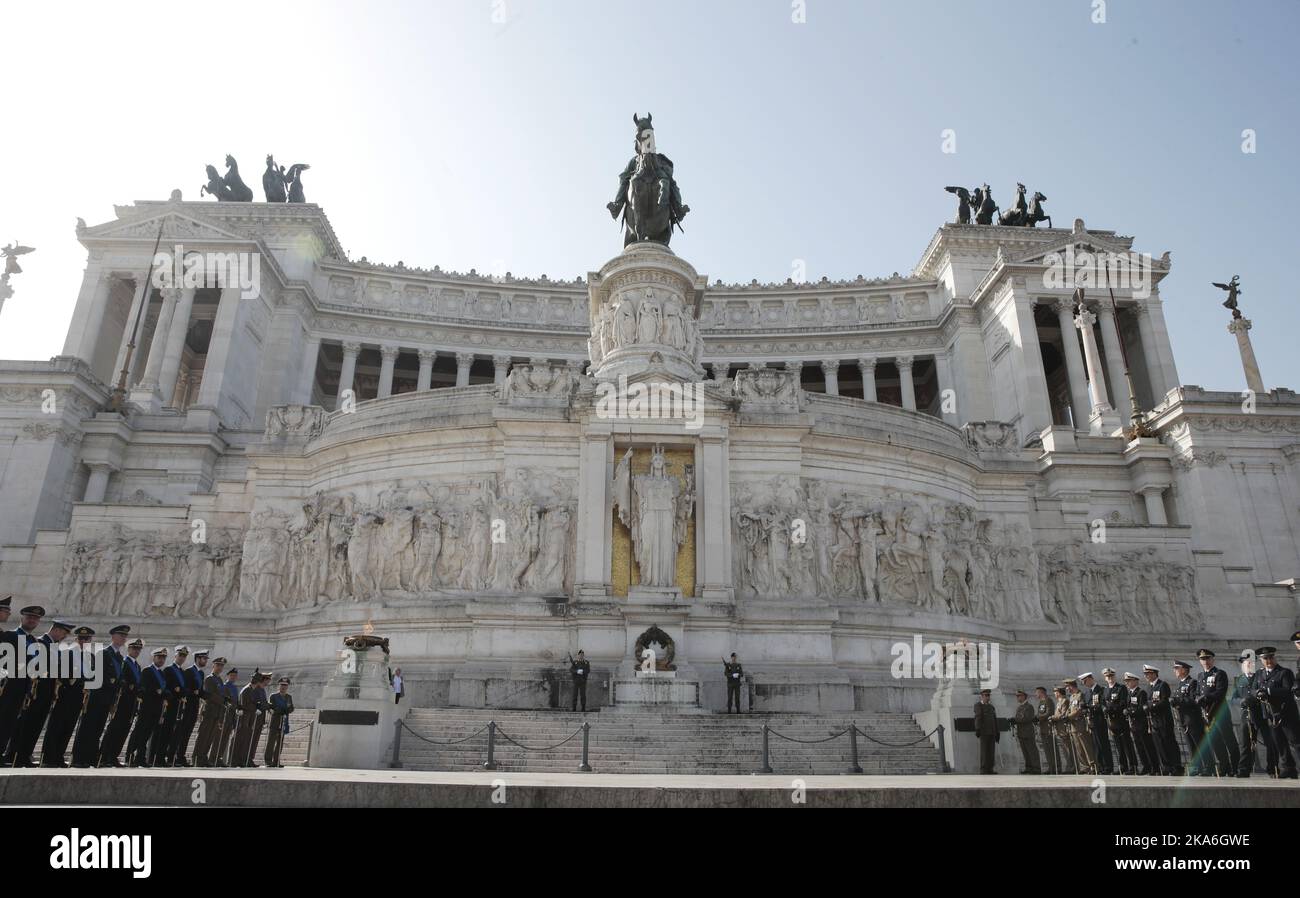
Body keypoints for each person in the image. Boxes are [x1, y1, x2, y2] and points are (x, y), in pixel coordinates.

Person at [9, 618, 71, 767]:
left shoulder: (53, 646)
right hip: (38, 690)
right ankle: (16, 755)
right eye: (63, 633)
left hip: (48, 691)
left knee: (36, 725)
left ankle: (25, 755)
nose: (63, 637)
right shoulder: (40, 643)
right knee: (27, 724)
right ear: (56, 629)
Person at [72, 624, 128, 767]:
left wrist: (119, 683)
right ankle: (79, 758)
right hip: (97, 695)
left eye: (124, 636)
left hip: (108, 697)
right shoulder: (103, 653)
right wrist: (113, 682)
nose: (123, 638)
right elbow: (98, 674)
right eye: (120, 635)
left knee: (98, 728)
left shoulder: (119, 657)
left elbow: (117, 676)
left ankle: (91, 757)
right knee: (87, 727)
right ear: (113, 636)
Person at [41, 625, 95, 767]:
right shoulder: (68, 652)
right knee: (57, 725)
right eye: (82, 638)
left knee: (68, 727)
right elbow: (60, 672)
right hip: (66, 693)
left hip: (80, 695)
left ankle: (58, 756)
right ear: (76, 639)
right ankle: (48, 758)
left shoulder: (89, 656)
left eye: (87, 638)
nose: (84, 641)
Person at [0, 605, 46, 763]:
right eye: (29, 617)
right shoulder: (10, 636)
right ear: (22, 618)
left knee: (9, 724)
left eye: (35, 619)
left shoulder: (34, 641)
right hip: (7, 686)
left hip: (23, 689)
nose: (32, 620)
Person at [1255, 646, 1300, 778]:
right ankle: (1288, 767)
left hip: (1286, 713)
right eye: (1265, 658)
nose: (1268, 660)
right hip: (1270, 714)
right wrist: (1257, 692)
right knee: (1280, 742)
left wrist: (1268, 691)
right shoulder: (1259, 674)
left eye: (1270, 657)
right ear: (1261, 660)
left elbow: (1287, 690)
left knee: (1295, 742)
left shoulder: (1284, 672)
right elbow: (1253, 689)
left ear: (1274, 658)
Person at [98, 637, 143, 767]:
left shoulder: (137, 666)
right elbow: (122, 680)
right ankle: (104, 755)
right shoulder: (124, 662)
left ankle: (113, 756)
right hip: (122, 701)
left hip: (132, 703)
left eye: (138, 649)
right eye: (134, 648)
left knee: (124, 730)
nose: (136, 651)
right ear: (128, 649)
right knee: (114, 729)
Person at [1195, 648, 1240, 776]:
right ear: (1200, 661)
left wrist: (1206, 698)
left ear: (1212, 659)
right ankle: (1224, 766)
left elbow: (1221, 692)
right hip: (1207, 713)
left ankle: (1235, 767)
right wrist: (1198, 699)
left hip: (1219, 711)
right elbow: (1198, 692)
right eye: (1203, 659)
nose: (1206, 661)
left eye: (1208, 658)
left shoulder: (1220, 673)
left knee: (1228, 739)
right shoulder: (1200, 676)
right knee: (1215, 741)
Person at [1232, 650, 1274, 777]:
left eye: (1251, 663)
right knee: (1245, 743)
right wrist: (1242, 701)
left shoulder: (1260, 676)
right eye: (1245, 663)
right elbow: (1234, 698)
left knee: (1269, 741)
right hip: (1247, 714)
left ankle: (1272, 767)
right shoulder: (1239, 679)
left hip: (1261, 712)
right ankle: (1244, 769)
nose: (1248, 665)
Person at [127, 647, 170, 767]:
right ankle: (130, 755)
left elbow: (164, 689)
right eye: (159, 657)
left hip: (156, 708)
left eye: (163, 658)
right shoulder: (147, 671)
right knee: (140, 732)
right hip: (147, 707)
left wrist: (165, 694)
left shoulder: (161, 673)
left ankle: (140, 757)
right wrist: (157, 691)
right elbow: (144, 687)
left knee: (147, 734)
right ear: (154, 658)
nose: (161, 660)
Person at [152, 645, 189, 766]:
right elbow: (168, 687)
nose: (182, 658)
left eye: (184, 656)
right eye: (180, 655)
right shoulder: (168, 670)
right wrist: (177, 690)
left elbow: (183, 689)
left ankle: (168, 757)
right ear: (175, 656)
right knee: (164, 733)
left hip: (178, 707)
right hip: (169, 705)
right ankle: (159, 758)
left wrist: (181, 691)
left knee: (172, 734)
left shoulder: (182, 672)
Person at [170, 648, 208, 766]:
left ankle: (181, 756)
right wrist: (193, 692)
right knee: (180, 732)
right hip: (186, 705)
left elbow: (200, 691)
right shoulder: (188, 671)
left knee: (187, 732)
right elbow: (185, 688)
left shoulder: (200, 673)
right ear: (197, 659)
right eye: (203, 659)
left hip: (194, 705)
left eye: (206, 659)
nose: (205, 661)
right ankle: (173, 756)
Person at [1143, 664, 1182, 776]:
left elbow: (1164, 701)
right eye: (1145, 674)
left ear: (1155, 673)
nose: (1146, 676)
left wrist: (1151, 706)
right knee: (1159, 744)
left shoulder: (1162, 685)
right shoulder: (1149, 687)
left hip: (1164, 719)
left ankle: (1176, 766)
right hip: (1154, 720)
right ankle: (1166, 766)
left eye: (1148, 674)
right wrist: (1147, 706)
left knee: (1169, 742)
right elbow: (1148, 701)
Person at [1170, 659, 1207, 776]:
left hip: (1193, 719)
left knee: (1199, 744)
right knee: (1190, 745)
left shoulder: (1192, 683)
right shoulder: (1179, 685)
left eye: (1177, 668)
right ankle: (1196, 766)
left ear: (1184, 670)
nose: (1175, 671)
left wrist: (1178, 701)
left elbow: (1193, 700)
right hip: (1183, 719)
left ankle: (1206, 766)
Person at [191, 656, 227, 767]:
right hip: (209, 711)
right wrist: (223, 700)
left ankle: (204, 757)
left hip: (217, 711)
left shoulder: (220, 680)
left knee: (210, 736)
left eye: (221, 666)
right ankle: (197, 758)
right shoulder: (209, 679)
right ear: (213, 665)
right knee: (203, 735)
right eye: (218, 665)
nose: (220, 668)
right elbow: (210, 695)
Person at [1101, 668, 1137, 775]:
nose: (1110, 678)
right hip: (1112, 722)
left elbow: (1122, 703)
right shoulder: (1106, 690)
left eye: (1111, 676)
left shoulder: (1121, 688)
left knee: (1126, 745)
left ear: (1114, 677)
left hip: (1121, 720)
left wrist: (1111, 708)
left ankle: (1132, 766)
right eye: (1108, 677)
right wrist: (1104, 708)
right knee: (1118, 746)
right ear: (1105, 678)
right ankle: (1122, 766)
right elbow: (1103, 701)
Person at [1122, 672, 1158, 776]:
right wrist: (1127, 711)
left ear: (1135, 681)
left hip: (1141, 723)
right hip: (1133, 724)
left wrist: (1131, 712)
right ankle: (1145, 766)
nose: (1127, 683)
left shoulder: (1141, 693)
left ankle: (1153, 766)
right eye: (1126, 681)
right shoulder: (1130, 694)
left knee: (1147, 746)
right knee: (1139, 747)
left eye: (1129, 681)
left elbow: (1142, 708)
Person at [1080, 672, 1113, 775]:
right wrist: (1084, 709)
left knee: (1103, 744)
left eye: (1085, 681)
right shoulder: (1087, 693)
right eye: (1083, 682)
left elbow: (1103, 704)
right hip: (1091, 722)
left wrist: (1091, 707)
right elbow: (1086, 705)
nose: (1084, 684)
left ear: (1090, 679)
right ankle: (1100, 766)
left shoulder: (1101, 690)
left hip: (1100, 721)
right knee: (1096, 746)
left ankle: (1108, 766)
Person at [1065, 679, 1096, 774]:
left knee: (1086, 746)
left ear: (1071, 686)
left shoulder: (1080, 695)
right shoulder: (1072, 697)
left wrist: (1068, 716)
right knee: (1079, 749)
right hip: (1073, 726)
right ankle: (1085, 767)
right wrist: (1065, 715)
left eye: (1067, 687)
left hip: (1081, 725)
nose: (1067, 689)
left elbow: (1079, 710)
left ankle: (1093, 766)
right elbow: (1070, 709)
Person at [264, 677, 295, 767]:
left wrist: (288, 710)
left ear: (287, 686)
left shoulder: (289, 697)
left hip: (284, 721)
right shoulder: (273, 696)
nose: (283, 687)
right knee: (271, 742)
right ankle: (268, 761)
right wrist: (278, 710)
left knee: (280, 742)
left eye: (285, 685)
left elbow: (291, 707)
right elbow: (270, 708)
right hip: (275, 721)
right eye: (282, 685)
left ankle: (276, 761)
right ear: (279, 686)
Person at [215, 667, 240, 767]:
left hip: (231, 715)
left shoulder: (234, 688)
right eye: (231, 675)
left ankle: (220, 758)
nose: (233, 677)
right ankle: (215, 758)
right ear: (228, 676)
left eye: (235, 676)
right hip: (224, 714)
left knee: (225, 738)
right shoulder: (224, 686)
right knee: (219, 738)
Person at [1012, 688, 1039, 774]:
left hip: (1028, 732)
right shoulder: (1019, 707)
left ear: (1024, 696)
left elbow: (1027, 718)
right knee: (1025, 752)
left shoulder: (1029, 707)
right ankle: (1029, 767)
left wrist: (1015, 720)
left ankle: (1036, 768)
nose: (1017, 698)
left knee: (1032, 751)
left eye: (1019, 696)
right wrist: (1014, 720)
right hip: (1021, 732)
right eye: (1017, 696)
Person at [1050, 684, 1075, 774]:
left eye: (1056, 692)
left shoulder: (1065, 701)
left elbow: (1063, 714)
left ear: (1060, 693)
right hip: (1059, 729)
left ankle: (1072, 767)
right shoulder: (1059, 702)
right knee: (1065, 749)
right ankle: (1069, 766)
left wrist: (1053, 717)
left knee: (1068, 748)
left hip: (1064, 728)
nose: (1055, 694)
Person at [973, 688, 999, 774]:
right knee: (984, 751)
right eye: (986, 695)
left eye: (989, 695)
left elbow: (994, 720)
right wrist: (977, 728)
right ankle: (983, 769)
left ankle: (990, 769)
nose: (988, 697)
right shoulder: (978, 705)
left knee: (991, 751)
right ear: (982, 696)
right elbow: (978, 717)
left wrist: (997, 732)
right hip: (984, 732)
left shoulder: (991, 707)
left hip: (992, 732)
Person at [1034, 686, 1058, 774]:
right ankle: (1050, 767)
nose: (1035, 694)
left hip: (1048, 728)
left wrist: (1038, 718)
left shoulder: (1049, 701)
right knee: (1047, 750)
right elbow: (1040, 713)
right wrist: (1036, 717)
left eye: (1037, 692)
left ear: (1041, 692)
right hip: (1043, 728)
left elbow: (1049, 713)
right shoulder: (1041, 702)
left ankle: (1055, 768)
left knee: (1051, 749)